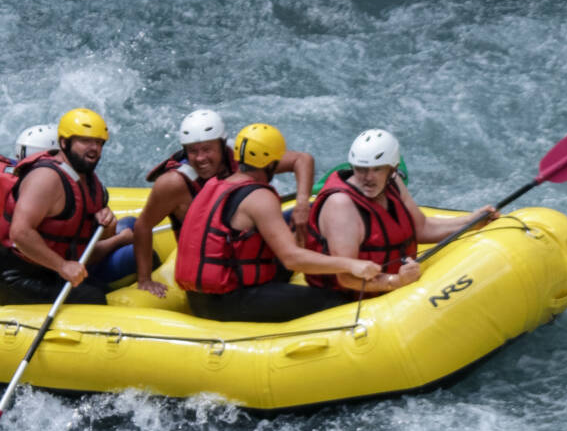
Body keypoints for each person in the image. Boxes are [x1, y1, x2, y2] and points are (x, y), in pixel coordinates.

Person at [174, 123, 380, 323]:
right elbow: (291, 259)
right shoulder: (260, 197)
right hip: (228, 303)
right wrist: (351, 265)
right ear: (272, 163)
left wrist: (301, 206)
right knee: (335, 302)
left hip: (200, 298)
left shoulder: (217, 183)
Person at [130, 110, 318, 298]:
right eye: (193, 151)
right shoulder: (174, 183)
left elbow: (302, 159)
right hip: (217, 275)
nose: (200, 158)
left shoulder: (240, 158)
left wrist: (302, 203)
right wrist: (145, 279)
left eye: (207, 149)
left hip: (253, 254)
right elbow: (143, 225)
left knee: (310, 215)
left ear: (221, 145)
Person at [307, 129, 498, 294]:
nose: (368, 178)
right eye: (362, 169)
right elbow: (347, 278)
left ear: (393, 169)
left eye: (377, 169)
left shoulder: (393, 183)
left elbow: (422, 228)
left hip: (388, 282)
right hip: (342, 296)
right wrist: (396, 282)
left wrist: (471, 222)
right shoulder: (341, 205)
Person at [0, 107, 118, 307]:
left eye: (99, 143)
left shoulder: (89, 180)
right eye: (85, 141)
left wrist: (107, 224)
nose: (94, 148)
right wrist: (62, 266)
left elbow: (96, 236)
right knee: (93, 297)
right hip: (15, 278)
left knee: (102, 290)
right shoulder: (46, 179)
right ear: (64, 143)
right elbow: (20, 233)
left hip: (50, 272)